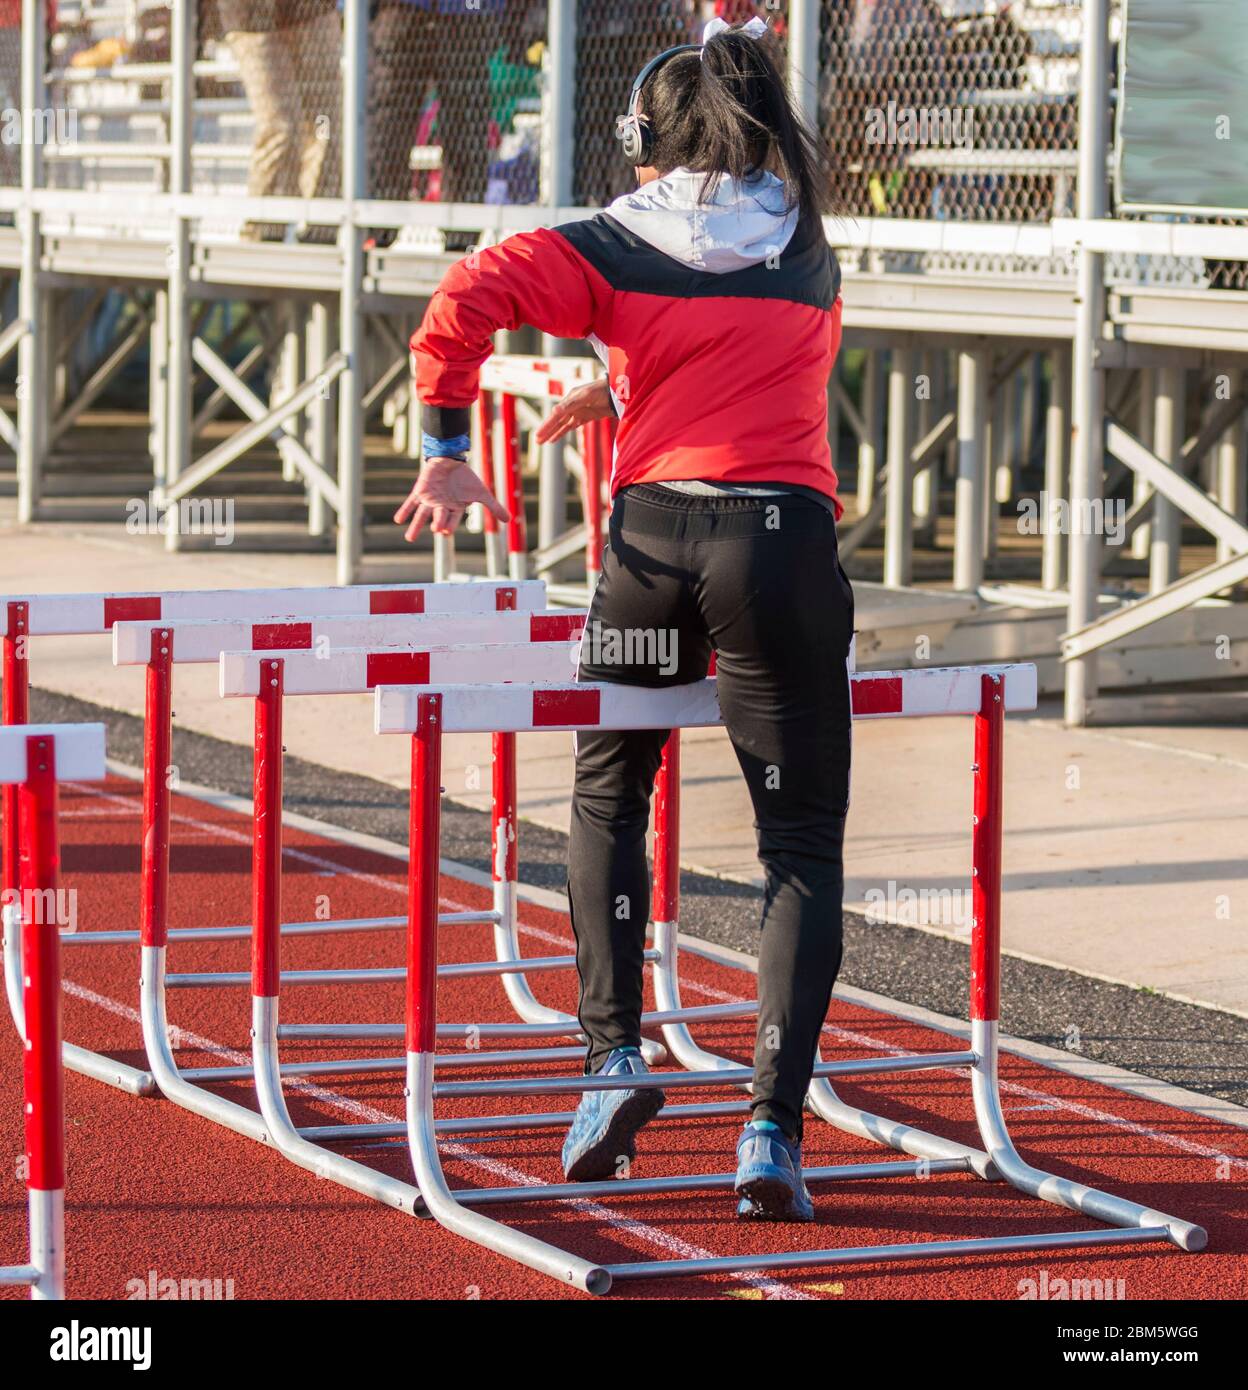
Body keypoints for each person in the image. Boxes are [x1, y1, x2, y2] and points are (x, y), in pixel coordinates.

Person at [400, 17, 852, 1223]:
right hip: (780, 545)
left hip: (655, 544)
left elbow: (465, 293)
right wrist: (631, 371)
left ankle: (611, 1063)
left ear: (649, 145)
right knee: (799, 843)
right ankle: (770, 1130)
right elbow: (764, 354)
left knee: (610, 790)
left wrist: (448, 449)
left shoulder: (619, 236)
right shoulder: (805, 233)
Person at [215, 0, 342, 242]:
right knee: (281, 126)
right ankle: (263, 232)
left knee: (325, 124)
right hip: (253, 17)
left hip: (312, 11)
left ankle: (321, 233)